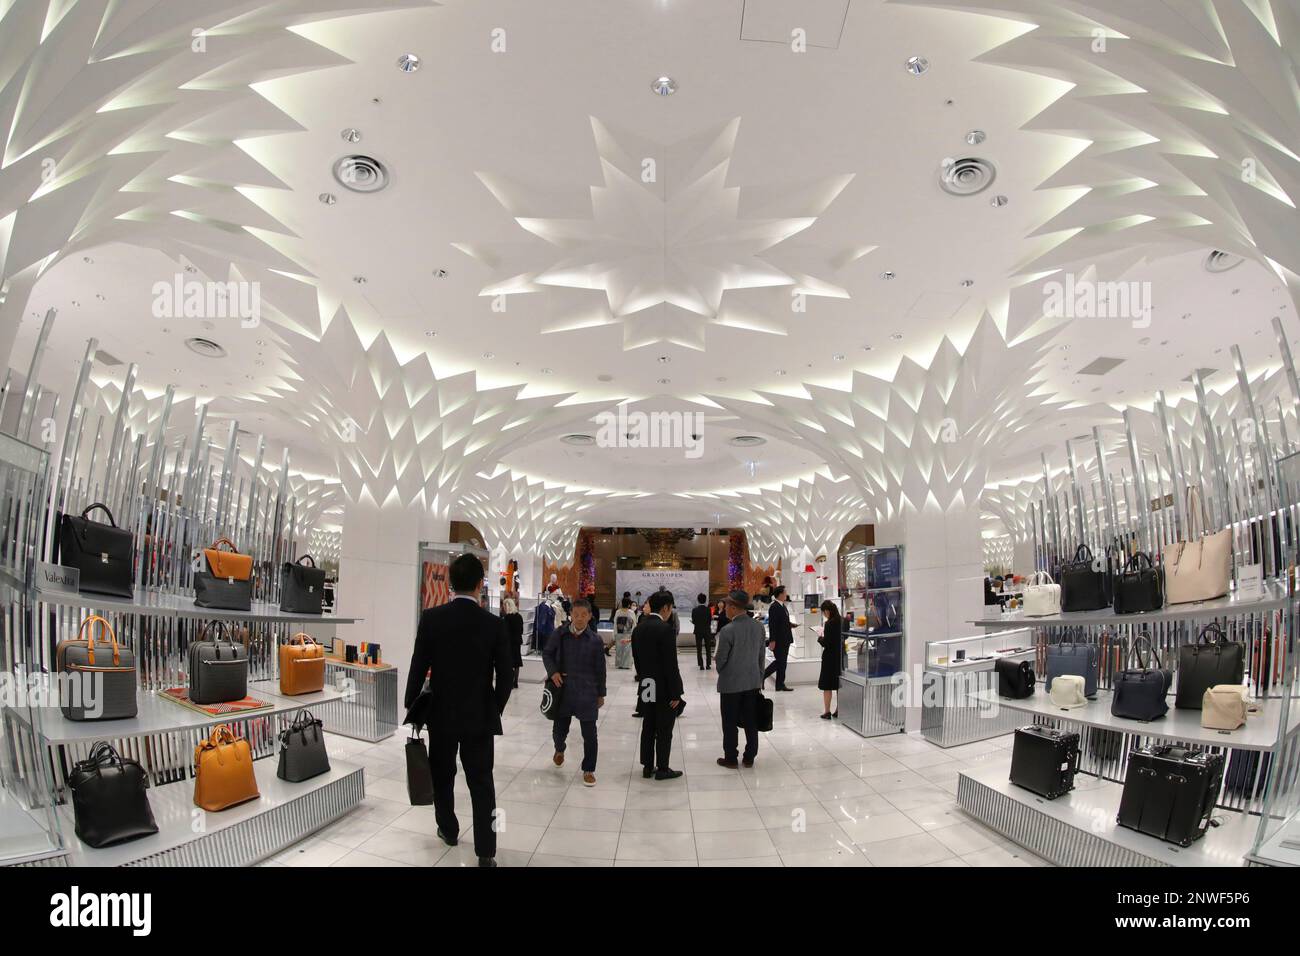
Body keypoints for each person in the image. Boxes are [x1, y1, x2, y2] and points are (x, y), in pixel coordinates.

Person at [404, 553, 513, 867]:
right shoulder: (493, 625)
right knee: (482, 783)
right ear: (481, 584)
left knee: (443, 775)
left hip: (441, 714)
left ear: (450, 583)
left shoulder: (432, 618)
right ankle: (486, 851)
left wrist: (412, 704)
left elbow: (418, 665)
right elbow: (506, 675)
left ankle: (448, 829)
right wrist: (495, 707)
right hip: (479, 716)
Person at [543, 598, 606, 787]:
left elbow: (600, 669)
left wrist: (601, 693)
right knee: (559, 729)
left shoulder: (595, 640)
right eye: (576, 615)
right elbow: (547, 653)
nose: (579, 619)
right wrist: (553, 672)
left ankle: (589, 769)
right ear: (570, 615)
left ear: (589, 616)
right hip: (564, 691)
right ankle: (559, 749)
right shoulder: (560, 634)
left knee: (590, 734)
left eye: (583, 615)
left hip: (587, 692)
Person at [631, 591, 683, 780]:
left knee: (648, 725)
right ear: (665, 608)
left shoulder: (639, 629)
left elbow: (636, 659)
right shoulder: (665, 629)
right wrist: (676, 693)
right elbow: (671, 665)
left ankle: (647, 766)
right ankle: (662, 768)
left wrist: (644, 676)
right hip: (663, 687)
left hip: (646, 683)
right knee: (664, 729)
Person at [715, 589, 765, 768]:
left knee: (729, 723)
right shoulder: (758, 627)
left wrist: (724, 671)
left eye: (727, 605)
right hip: (752, 682)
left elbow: (720, 660)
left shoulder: (728, 630)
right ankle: (750, 756)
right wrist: (759, 678)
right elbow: (761, 656)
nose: (724, 608)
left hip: (730, 684)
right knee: (751, 721)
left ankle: (730, 757)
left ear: (734, 608)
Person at [763, 585, 794, 691]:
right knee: (780, 661)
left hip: (785, 638)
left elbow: (782, 622)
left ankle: (780, 684)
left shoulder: (782, 606)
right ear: (780, 594)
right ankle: (763, 676)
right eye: (785, 593)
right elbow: (773, 625)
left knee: (782, 663)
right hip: (779, 640)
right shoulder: (774, 607)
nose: (786, 594)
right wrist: (772, 640)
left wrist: (791, 624)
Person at [817, 600, 843, 719]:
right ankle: (839, 709)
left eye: (823, 612)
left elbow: (827, 643)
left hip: (829, 658)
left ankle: (827, 711)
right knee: (838, 684)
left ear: (827, 611)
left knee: (827, 685)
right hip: (840, 655)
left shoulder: (829, 624)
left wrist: (820, 638)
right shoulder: (842, 621)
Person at [502, 597, 524, 688]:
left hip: (509, 642)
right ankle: (516, 682)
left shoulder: (507, 618)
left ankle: (510, 682)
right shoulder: (519, 616)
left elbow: (505, 631)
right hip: (517, 642)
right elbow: (521, 630)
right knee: (517, 662)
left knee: (510, 662)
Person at [691, 593, 714, 670]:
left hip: (698, 631)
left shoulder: (694, 610)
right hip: (707, 630)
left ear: (698, 600)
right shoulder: (708, 610)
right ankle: (708, 665)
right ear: (705, 600)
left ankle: (701, 665)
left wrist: (695, 622)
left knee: (699, 648)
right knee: (708, 648)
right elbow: (710, 620)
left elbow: (694, 621)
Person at [614, 598, 636, 669]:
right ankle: (626, 665)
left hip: (619, 632)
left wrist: (614, 633)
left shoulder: (618, 612)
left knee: (619, 649)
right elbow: (634, 623)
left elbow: (615, 623)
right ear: (629, 604)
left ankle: (619, 664)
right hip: (628, 633)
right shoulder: (631, 612)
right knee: (627, 649)